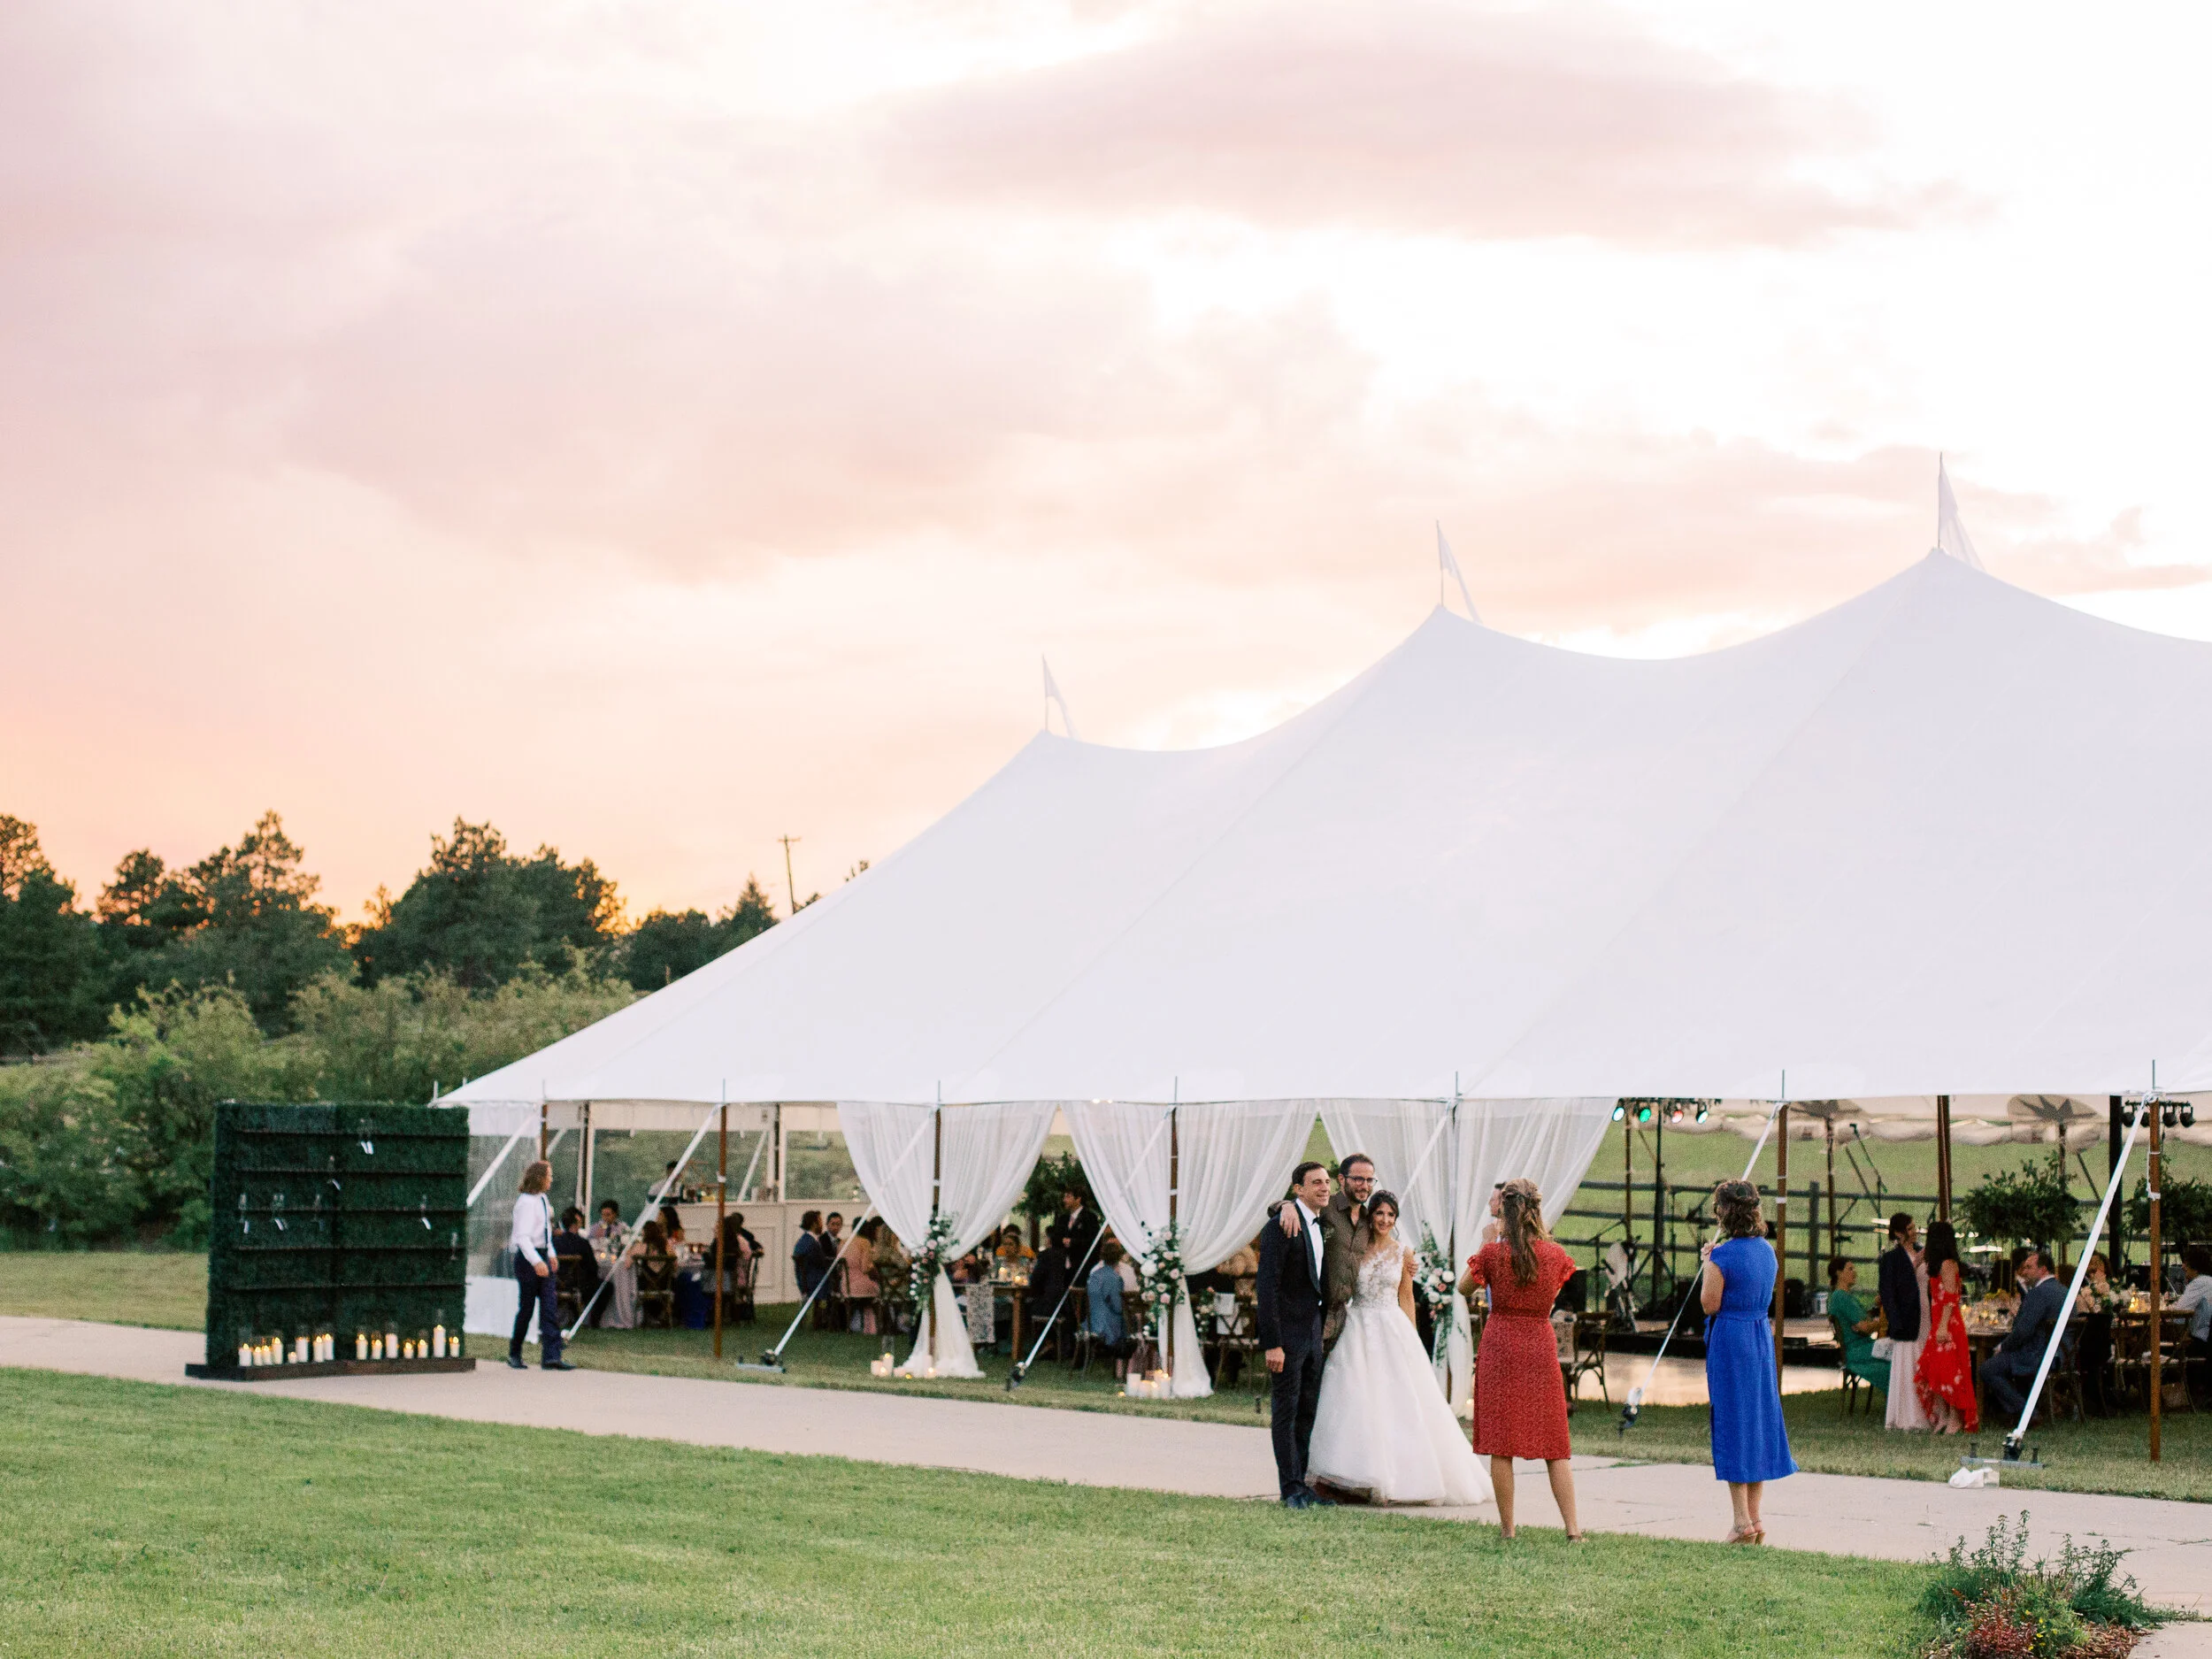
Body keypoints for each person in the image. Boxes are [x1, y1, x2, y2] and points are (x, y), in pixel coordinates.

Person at [1307, 1191, 1490, 1506]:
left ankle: (1399, 1477)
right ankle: (1351, 1476)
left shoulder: (1404, 1253)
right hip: (1357, 1327)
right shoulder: (1356, 1249)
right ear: (1370, 1215)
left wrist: (1411, 1337)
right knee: (1355, 1396)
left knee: (1398, 1401)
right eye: (1379, 1214)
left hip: (1390, 1327)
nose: (1385, 1220)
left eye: (1391, 1215)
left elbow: (1406, 1297)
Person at [1462, 1178, 1581, 1540]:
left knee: (1502, 1441)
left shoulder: (1494, 1254)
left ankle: (1508, 1528)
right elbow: (1553, 1289)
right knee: (1554, 1441)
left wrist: (1486, 1242)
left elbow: (1464, 1287)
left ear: (1506, 1210)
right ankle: (1573, 1529)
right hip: (1538, 1342)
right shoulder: (1556, 1255)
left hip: (1501, 1341)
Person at [1700, 1181, 1796, 1544]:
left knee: (1733, 1422)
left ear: (1723, 1213)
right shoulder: (1767, 1252)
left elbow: (1710, 1304)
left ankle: (1741, 1522)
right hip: (1758, 1336)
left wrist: (1709, 1263)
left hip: (1731, 1339)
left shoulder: (1722, 1257)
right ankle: (1755, 1519)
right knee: (1756, 1421)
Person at [1257, 1161, 1333, 1509]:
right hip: (1286, 1336)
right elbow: (1267, 1287)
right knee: (1285, 1412)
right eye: (1315, 1182)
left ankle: (1302, 1485)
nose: (1324, 1187)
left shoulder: (1320, 1225)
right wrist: (1272, 1342)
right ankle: (1289, 1488)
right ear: (1297, 1190)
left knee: (1307, 1411)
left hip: (1313, 1332)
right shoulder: (1281, 1226)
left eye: (1327, 1181)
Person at [1276, 1153, 1377, 1348]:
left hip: (1347, 1317)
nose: (1364, 1185)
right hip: (1314, 1314)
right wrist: (1285, 1206)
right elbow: (1291, 1208)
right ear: (1341, 1179)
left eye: (1369, 1180)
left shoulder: (1368, 1220)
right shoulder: (1324, 1205)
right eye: (1358, 1179)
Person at [1979, 1245, 2064, 1426]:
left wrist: (2003, 1346)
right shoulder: (2064, 1290)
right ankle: (2021, 1409)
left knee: (1987, 1368)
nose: (2024, 1272)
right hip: (2062, 1354)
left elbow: (2023, 1331)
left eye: (2029, 1268)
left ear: (2042, 1270)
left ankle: (2026, 1410)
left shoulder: (2038, 1294)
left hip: (2038, 1355)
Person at [507, 1159, 573, 1371]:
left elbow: (546, 1233)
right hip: (528, 1260)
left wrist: (550, 1255)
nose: (551, 1180)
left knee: (549, 1307)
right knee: (526, 1308)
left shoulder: (543, 1200)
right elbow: (522, 1238)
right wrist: (536, 1261)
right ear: (539, 1178)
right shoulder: (525, 1203)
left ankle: (552, 1356)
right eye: (549, 1176)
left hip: (543, 1253)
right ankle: (514, 1352)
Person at [1916, 1221, 1978, 1433]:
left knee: (1950, 1371)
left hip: (1948, 1324)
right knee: (1935, 1370)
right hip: (1939, 1323)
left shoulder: (1948, 1264)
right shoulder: (1937, 1265)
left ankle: (1955, 1417)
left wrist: (1942, 1327)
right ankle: (1943, 1414)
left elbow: (1951, 1298)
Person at [1878, 1212, 1930, 1432]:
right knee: (1908, 1364)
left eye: (1914, 1227)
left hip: (1925, 1313)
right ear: (1899, 1233)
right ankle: (1908, 1416)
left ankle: (1928, 1413)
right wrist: (1895, 1322)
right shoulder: (1892, 1259)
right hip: (1906, 1317)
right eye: (1909, 1229)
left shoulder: (1922, 1252)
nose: (1914, 1231)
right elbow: (1888, 1293)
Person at [1827, 1257, 1889, 1395]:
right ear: (1839, 1273)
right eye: (1850, 1269)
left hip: (1865, 1345)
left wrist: (1871, 1319)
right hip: (1857, 1351)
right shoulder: (1840, 1297)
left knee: (1896, 1349)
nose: (1855, 1272)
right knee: (1898, 1353)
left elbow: (1865, 1323)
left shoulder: (1848, 1297)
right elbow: (1865, 1327)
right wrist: (1883, 1323)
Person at [2173, 1244, 2212, 1403]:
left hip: (2203, 1340)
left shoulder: (2199, 1283)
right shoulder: (2209, 1281)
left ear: (2194, 1266)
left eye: (2186, 1263)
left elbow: (2177, 1315)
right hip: (2209, 1339)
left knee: (2165, 1348)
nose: (2182, 1267)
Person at [1086, 1240, 1130, 1370]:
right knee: (1133, 1322)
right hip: (1107, 1326)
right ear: (1119, 1258)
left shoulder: (1094, 1274)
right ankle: (1125, 1366)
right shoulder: (1115, 1279)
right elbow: (1118, 1307)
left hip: (1091, 1322)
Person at [841, 1217, 881, 1333]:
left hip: (844, 1284)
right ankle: (876, 1325)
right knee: (879, 1287)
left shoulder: (843, 1242)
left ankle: (858, 1323)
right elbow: (865, 1268)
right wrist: (874, 1268)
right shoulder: (865, 1243)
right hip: (860, 1285)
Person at [793, 1210, 827, 1298]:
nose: (822, 1225)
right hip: (816, 1283)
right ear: (814, 1224)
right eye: (820, 1221)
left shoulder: (803, 1240)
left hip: (805, 1282)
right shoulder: (812, 1243)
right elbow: (822, 1263)